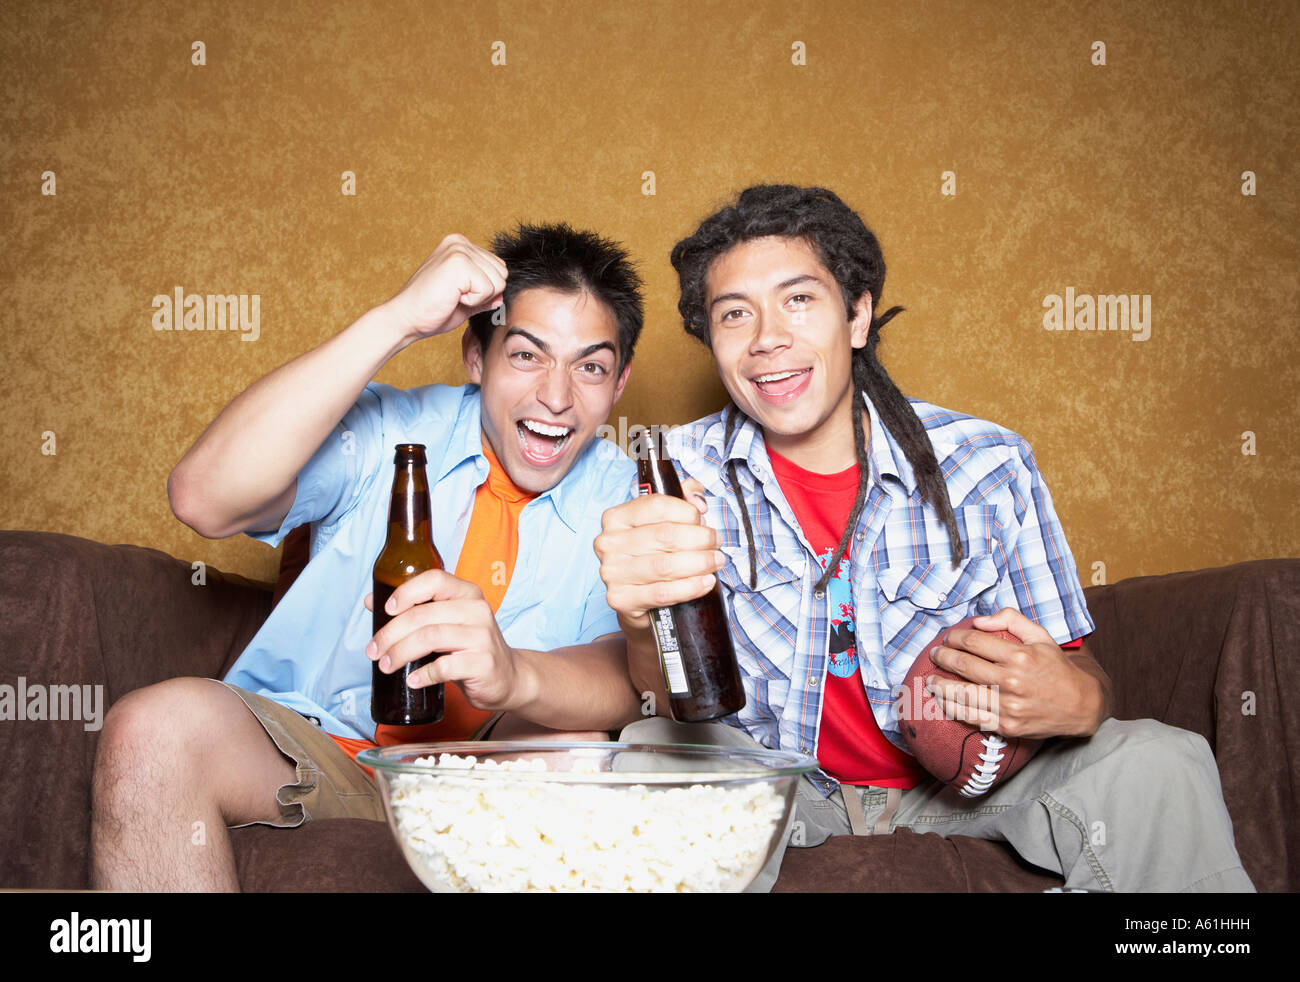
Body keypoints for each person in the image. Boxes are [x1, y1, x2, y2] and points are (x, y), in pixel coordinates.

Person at [599, 185, 1254, 892]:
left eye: (799, 300)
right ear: (713, 341)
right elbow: (663, 700)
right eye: (734, 314)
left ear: (857, 315)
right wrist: (641, 628)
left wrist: (1083, 699)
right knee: (646, 754)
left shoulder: (987, 463)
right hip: (778, 783)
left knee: (1161, 757)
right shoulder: (676, 473)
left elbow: (1078, 672)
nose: (767, 337)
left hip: (966, 797)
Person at [93, 225, 648, 891]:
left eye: (590, 367)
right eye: (527, 356)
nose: (557, 397)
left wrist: (512, 674)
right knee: (150, 730)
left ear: (619, 384)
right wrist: (398, 320)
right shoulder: (397, 429)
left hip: (484, 774)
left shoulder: (621, 491)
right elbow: (203, 499)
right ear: (476, 356)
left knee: (582, 758)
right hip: (320, 748)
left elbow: (630, 680)